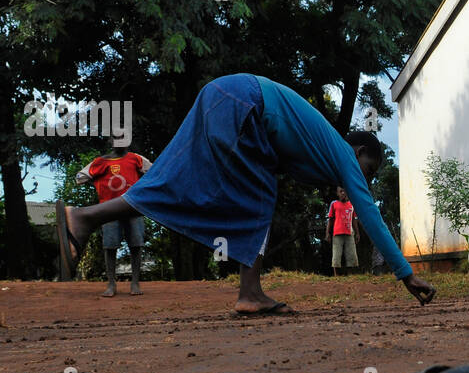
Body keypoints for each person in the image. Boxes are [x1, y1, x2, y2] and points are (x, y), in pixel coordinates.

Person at [55, 74, 434, 312]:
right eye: (369, 170)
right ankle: (249, 293)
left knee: (173, 178)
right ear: (360, 153)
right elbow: (371, 215)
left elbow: (271, 162)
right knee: (257, 196)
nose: (363, 181)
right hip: (245, 101)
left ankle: (84, 216)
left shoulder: (319, 151)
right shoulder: (344, 156)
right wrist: (406, 274)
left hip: (223, 94)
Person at [74, 145, 152, 296]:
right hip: (108, 210)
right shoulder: (101, 161)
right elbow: (80, 177)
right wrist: (98, 183)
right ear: (110, 141)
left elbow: (154, 171)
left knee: (136, 244)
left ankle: (135, 283)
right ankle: (111, 284)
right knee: (110, 246)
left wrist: (141, 187)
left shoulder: (135, 158)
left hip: (132, 207)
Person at [325, 186, 357, 277]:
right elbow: (330, 219)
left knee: (351, 253)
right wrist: (327, 233)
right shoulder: (334, 204)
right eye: (341, 191)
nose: (343, 193)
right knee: (336, 254)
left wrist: (357, 233)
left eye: (344, 191)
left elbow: (354, 219)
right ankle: (336, 275)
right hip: (337, 233)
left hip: (349, 232)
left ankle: (350, 274)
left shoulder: (352, 204)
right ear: (337, 193)